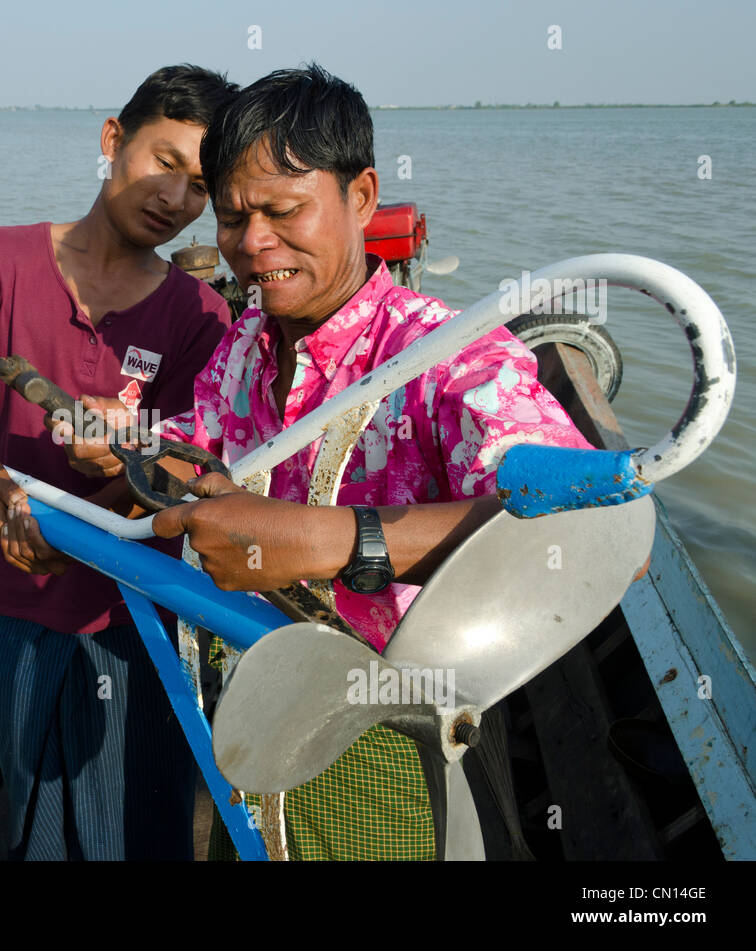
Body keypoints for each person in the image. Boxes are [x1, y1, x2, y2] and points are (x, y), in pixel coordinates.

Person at [56, 64, 595, 860]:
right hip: (255, 705)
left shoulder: (446, 353)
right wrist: (135, 442)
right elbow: (202, 448)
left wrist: (332, 540)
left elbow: (589, 531)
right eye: (234, 218)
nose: (252, 244)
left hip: (398, 732)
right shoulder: (244, 344)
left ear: (363, 197)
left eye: (283, 210)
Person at [0, 65, 238, 860]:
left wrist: (107, 489)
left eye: (200, 186)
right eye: (163, 162)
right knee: (34, 813)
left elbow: (187, 465)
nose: (176, 199)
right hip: (22, 599)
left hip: (139, 612)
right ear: (113, 140)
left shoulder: (199, 314)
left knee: (139, 824)